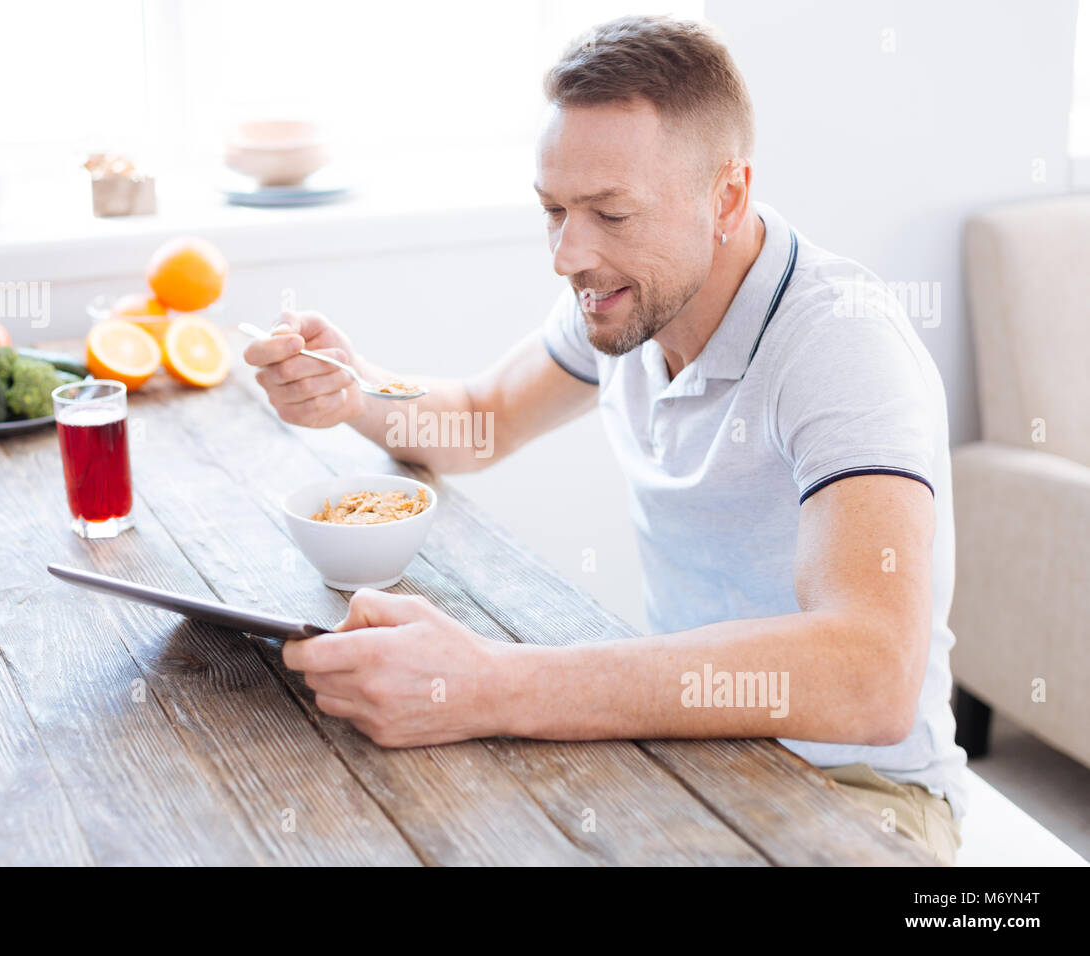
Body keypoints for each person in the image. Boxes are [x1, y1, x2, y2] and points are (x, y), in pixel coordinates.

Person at [243, 15, 966, 864]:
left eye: (611, 212)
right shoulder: (624, 295)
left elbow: (869, 673)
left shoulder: (841, 345)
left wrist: (493, 684)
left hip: (860, 795)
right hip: (690, 752)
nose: (567, 254)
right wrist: (352, 390)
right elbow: (482, 420)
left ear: (726, 198)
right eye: (553, 210)